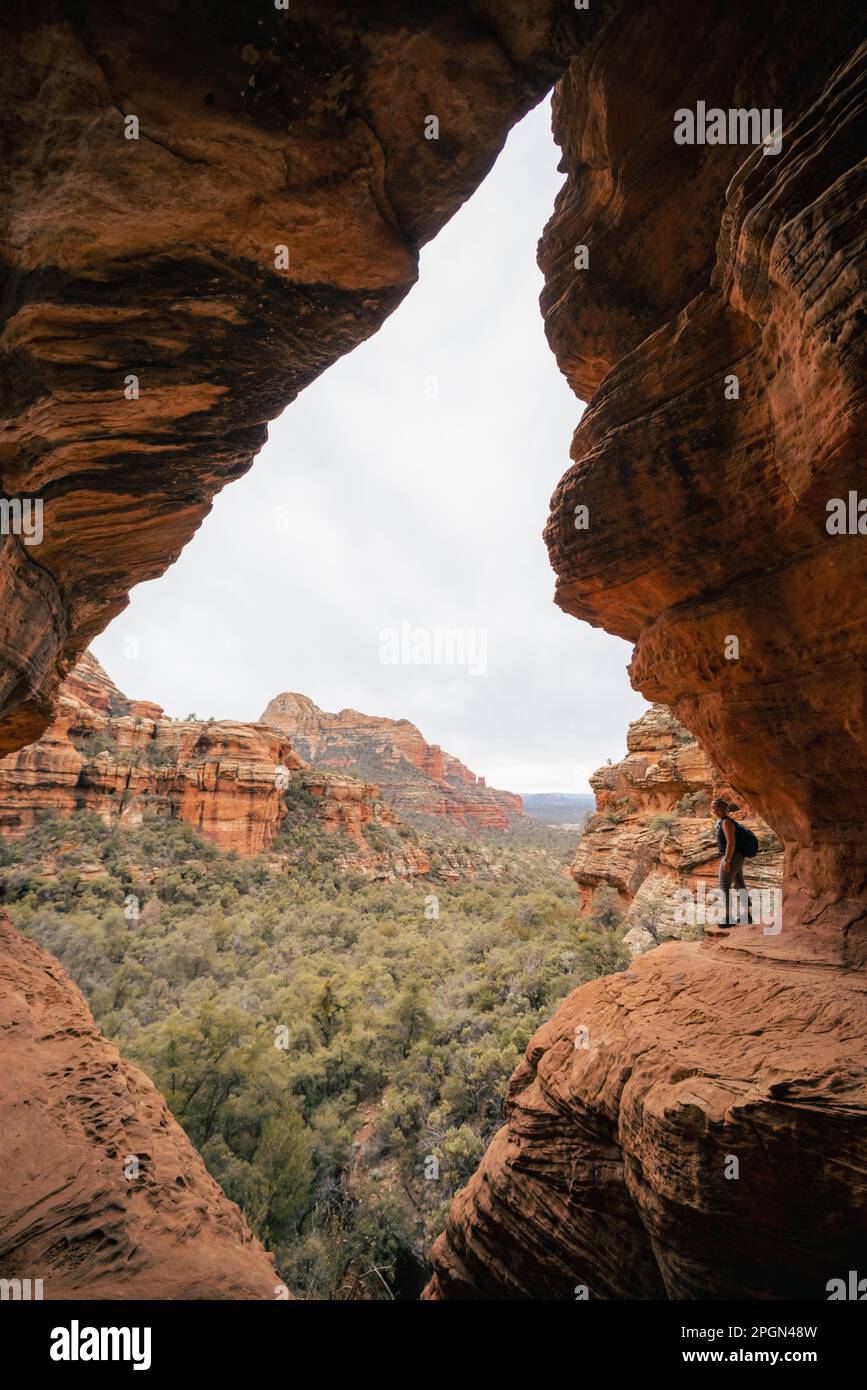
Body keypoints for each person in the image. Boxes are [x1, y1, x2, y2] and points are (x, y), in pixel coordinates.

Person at [711, 796, 752, 927]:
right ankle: (747, 915)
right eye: (712, 808)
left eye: (716, 808)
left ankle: (728, 918)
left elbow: (731, 842)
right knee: (739, 884)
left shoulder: (726, 823)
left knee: (724, 885)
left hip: (732, 857)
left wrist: (727, 860)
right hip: (736, 856)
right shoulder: (724, 821)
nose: (714, 811)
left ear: (723, 809)